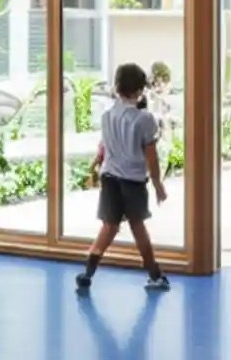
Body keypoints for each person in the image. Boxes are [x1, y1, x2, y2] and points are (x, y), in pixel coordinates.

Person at [77, 63, 169, 293]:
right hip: (133, 181)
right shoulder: (144, 120)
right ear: (140, 90)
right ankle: (155, 274)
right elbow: (152, 157)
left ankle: (87, 272)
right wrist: (158, 184)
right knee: (138, 227)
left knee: (109, 226)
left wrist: (96, 165)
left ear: (117, 87)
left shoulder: (107, 116)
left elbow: (105, 147)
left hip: (110, 177)